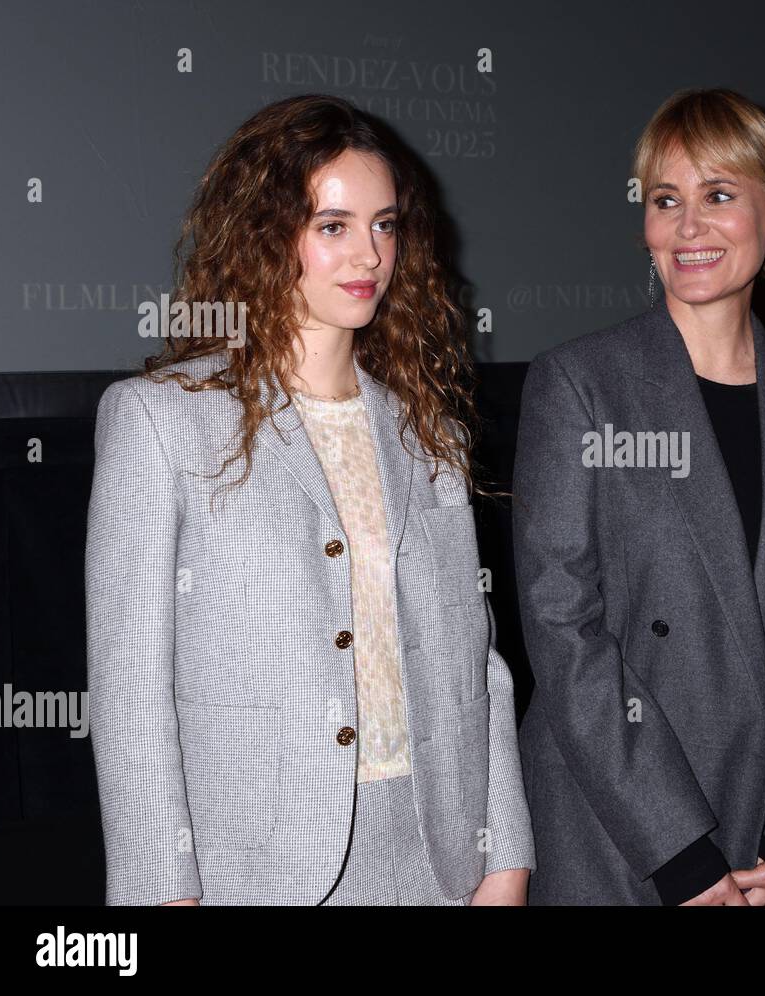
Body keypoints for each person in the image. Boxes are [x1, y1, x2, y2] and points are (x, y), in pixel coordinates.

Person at [85, 94, 534, 906]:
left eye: (385, 224)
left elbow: (478, 662)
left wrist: (506, 861)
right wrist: (162, 895)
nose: (369, 253)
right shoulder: (159, 421)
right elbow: (130, 698)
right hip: (256, 872)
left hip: (440, 862)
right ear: (264, 233)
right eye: (333, 226)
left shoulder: (426, 430)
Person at [512, 88, 765, 905]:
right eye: (666, 201)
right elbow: (562, 629)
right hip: (626, 841)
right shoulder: (579, 385)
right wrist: (679, 852)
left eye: (719, 195)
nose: (688, 227)